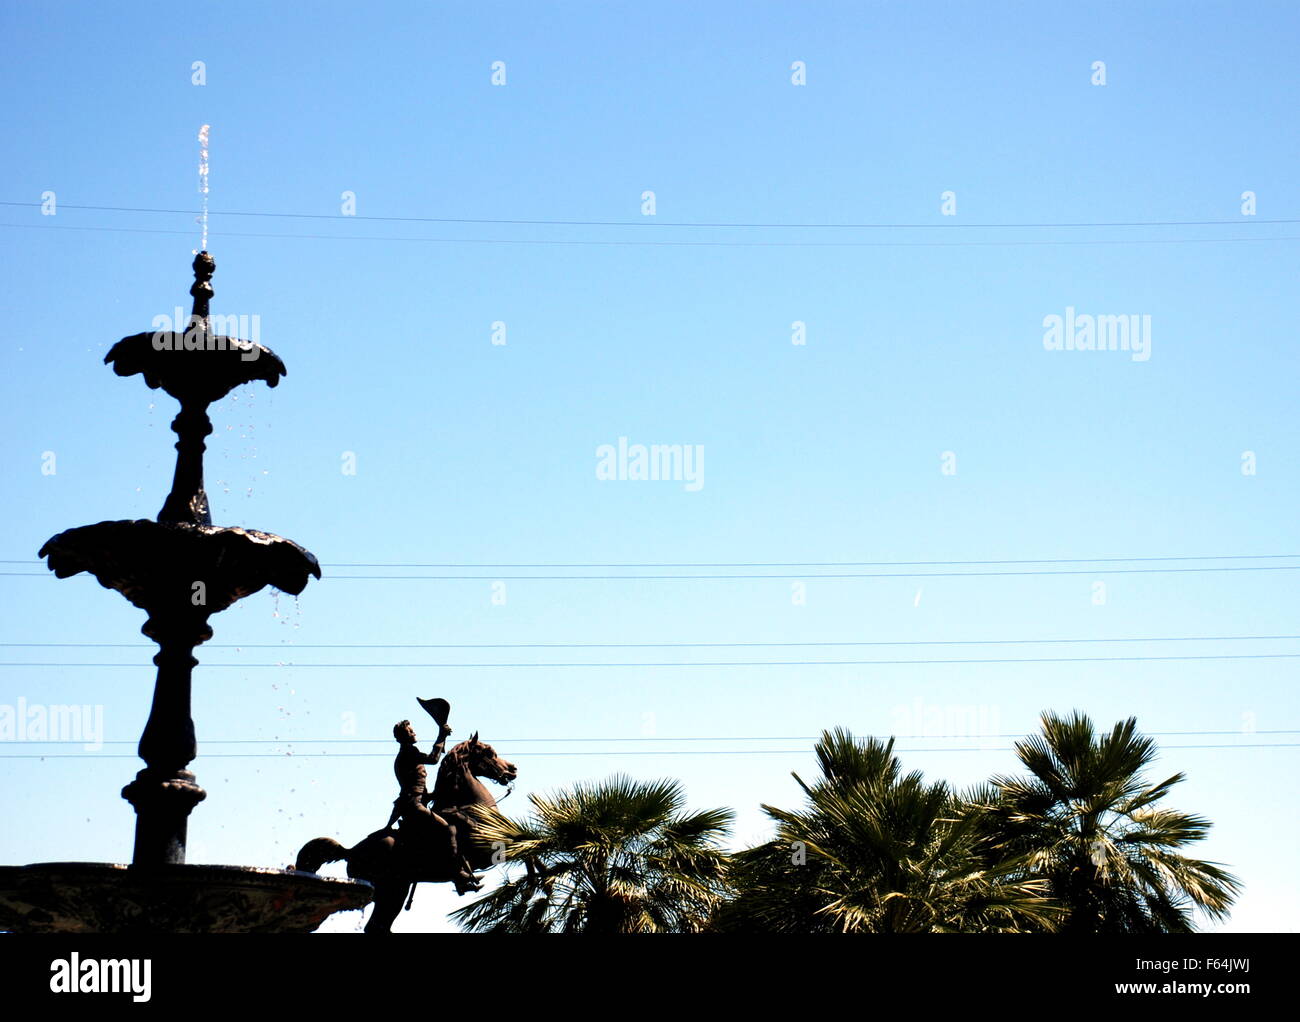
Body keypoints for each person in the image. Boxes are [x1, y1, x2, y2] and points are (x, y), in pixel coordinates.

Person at [386, 719, 481, 895]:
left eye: (413, 730)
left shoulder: (409, 753)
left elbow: (416, 787)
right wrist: (441, 735)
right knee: (447, 829)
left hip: (416, 802)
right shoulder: (408, 753)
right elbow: (433, 759)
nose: (414, 733)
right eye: (410, 732)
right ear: (402, 737)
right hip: (413, 806)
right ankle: (458, 876)